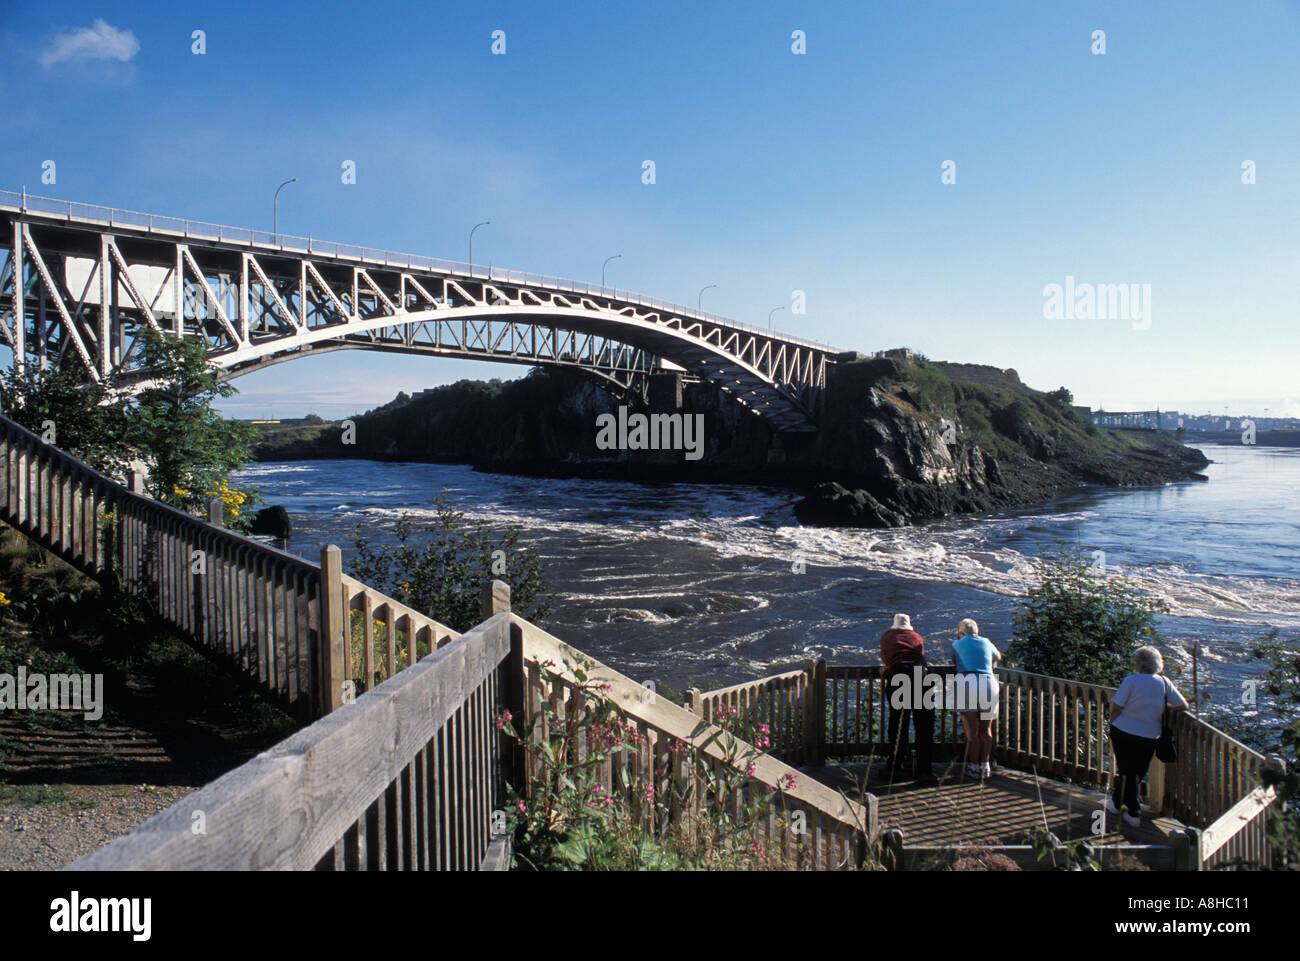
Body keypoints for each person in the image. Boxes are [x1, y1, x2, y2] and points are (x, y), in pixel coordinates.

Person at [1108, 646, 1189, 827]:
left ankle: (1134, 813)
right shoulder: (1164, 682)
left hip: (1123, 731)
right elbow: (1184, 705)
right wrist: (1167, 707)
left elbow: (1117, 706)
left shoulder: (1131, 680)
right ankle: (1115, 803)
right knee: (1136, 771)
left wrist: (1111, 722)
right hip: (1150, 735)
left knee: (1127, 771)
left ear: (1140, 664)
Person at [879, 613, 936, 784]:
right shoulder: (916, 637)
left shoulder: (888, 637)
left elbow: (886, 657)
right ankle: (924, 770)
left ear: (895, 625)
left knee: (898, 723)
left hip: (898, 674)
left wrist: (887, 669)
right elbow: (921, 655)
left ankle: (894, 768)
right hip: (920, 673)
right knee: (924, 724)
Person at [951, 618, 1001, 779]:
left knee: (971, 732)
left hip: (967, 683)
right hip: (988, 683)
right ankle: (985, 766)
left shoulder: (956, 644)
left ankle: (973, 767)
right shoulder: (986, 641)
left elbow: (953, 661)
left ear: (961, 633)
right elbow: (998, 656)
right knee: (986, 730)